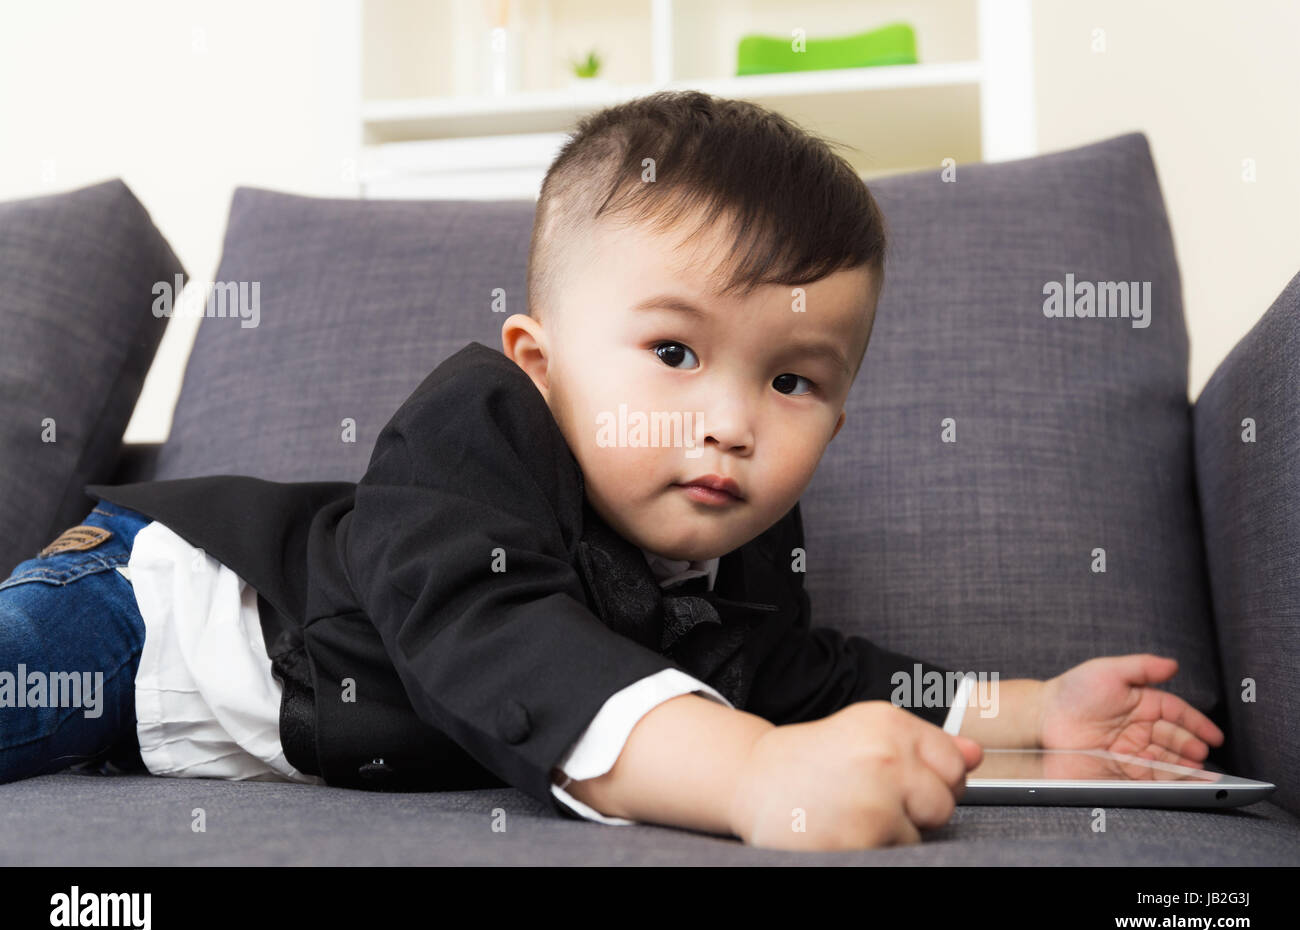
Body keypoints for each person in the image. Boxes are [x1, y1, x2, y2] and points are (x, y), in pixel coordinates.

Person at [0, 91, 1224, 851]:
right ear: (541, 363)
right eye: (676, 350)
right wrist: (746, 770)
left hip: (201, 733)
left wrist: (1025, 708)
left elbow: (799, 675)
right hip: (150, 608)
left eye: (793, 379)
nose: (734, 422)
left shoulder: (733, 547)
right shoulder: (474, 429)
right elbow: (495, 631)